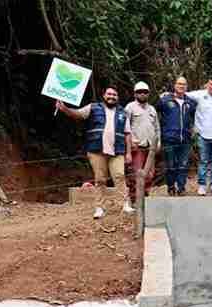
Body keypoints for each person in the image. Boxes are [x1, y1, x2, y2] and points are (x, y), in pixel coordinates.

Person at [56, 87, 132, 219]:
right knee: (100, 180)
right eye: (109, 94)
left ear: (117, 97)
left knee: (119, 176)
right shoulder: (93, 107)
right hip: (96, 149)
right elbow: (78, 114)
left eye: (114, 94)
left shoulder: (123, 112)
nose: (112, 96)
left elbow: (128, 134)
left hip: (117, 150)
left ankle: (125, 205)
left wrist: (129, 153)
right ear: (103, 95)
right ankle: (99, 208)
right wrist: (64, 109)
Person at [186, 77, 212, 195]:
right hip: (203, 135)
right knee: (203, 161)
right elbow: (183, 93)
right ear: (207, 84)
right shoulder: (199, 95)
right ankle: (202, 185)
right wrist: (168, 94)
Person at [156, 77, 197, 196]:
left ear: (186, 87)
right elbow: (155, 112)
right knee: (170, 165)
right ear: (175, 85)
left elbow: (193, 117)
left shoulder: (190, 102)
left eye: (184, 84)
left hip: (185, 138)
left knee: (183, 165)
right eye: (179, 84)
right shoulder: (165, 100)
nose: (181, 86)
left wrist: (192, 130)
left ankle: (181, 187)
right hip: (169, 138)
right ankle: (170, 186)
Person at [124, 81, 160, 209]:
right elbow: (126, 127)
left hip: (150, 148)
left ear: (148, 93)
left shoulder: (152, 109)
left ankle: (145, 198)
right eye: (140, 92)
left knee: (150, 175)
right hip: (137, 146)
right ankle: (135, 200)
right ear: (135, 94)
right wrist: (130, 142)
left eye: (145, 92)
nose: (142, 94)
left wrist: (158, 142)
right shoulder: (130, 107)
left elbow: (157, 127)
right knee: (136, 175)